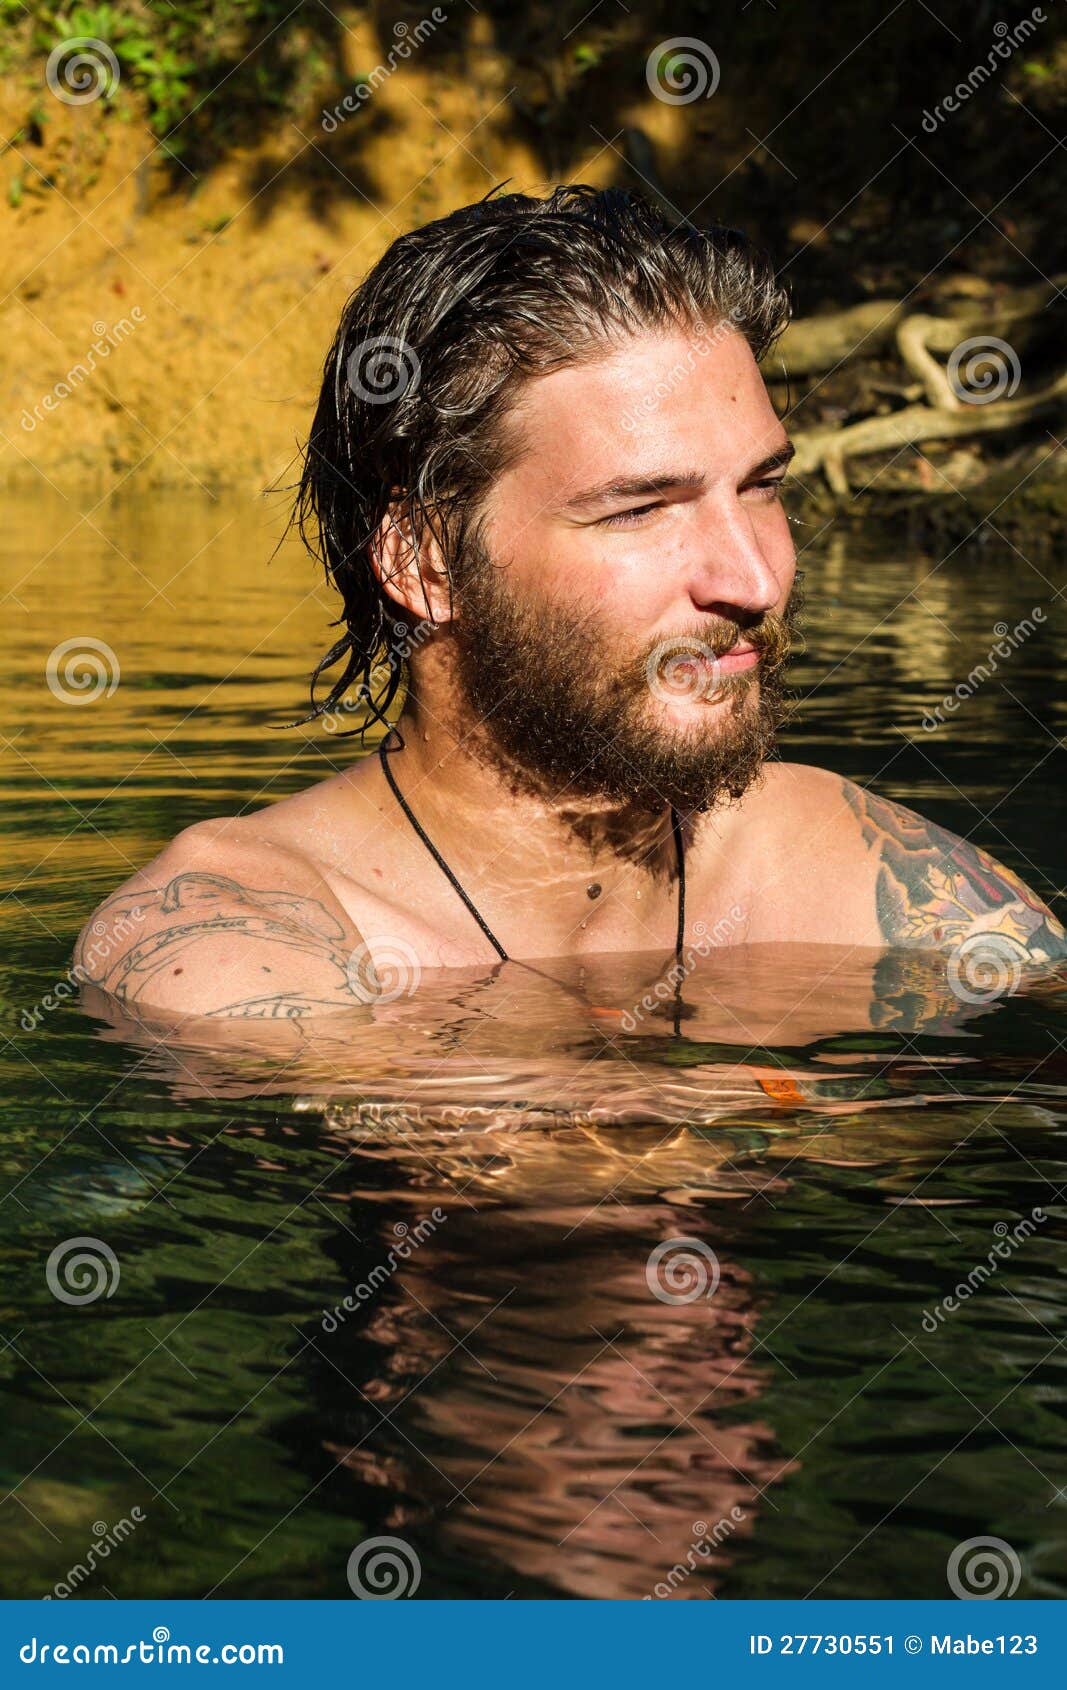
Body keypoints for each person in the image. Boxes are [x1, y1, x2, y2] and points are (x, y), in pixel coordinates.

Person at [74, 184, 1066, 1023]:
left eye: (761, 486)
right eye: (639, 508)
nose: (755, 581)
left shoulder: (851, 870)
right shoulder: (235, 940)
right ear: (423, 560)